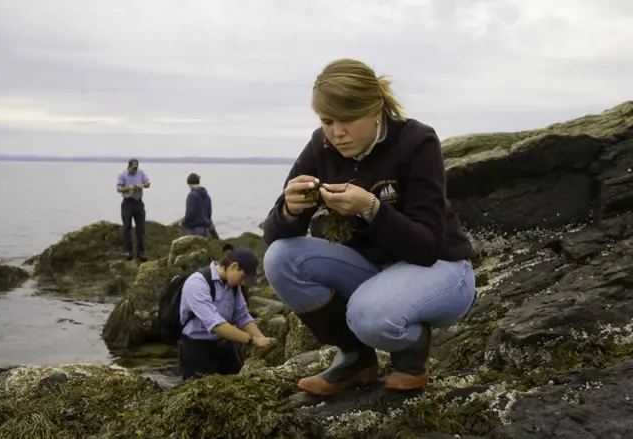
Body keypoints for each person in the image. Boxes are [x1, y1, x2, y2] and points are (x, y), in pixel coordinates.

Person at [261, 58, 477, 397]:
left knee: (368, 314)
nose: (336, 132)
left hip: (442, 269)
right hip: (373, 270)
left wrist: (371, 209)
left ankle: (413, 352)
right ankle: (356, 359)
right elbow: (275, 237)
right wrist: (289, 210)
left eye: (347, 120)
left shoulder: (417, 141)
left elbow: (427, 247)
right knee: (280, 258)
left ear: (375, 110)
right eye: (327, 121)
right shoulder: (323, 145)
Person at [178, 244, 276, 380]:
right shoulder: (197, 283)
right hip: (197, 348)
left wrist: (263, 339)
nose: (242, 283)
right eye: (242, 277)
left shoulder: (233, 286)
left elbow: (242, 317)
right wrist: (253, 340)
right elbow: (217, 325)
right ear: (233, 266)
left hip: (225, 346)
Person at [116, 158, 151, 261]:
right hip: (127, 203)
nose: (134, 170)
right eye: (133, 168)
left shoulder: (141, 173)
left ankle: (141, 252)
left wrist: (143, 185)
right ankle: (128, 251)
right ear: (129, 166)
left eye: (136, 168)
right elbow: (118, 189)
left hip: (138, 202)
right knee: (127, 228)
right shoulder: (122, 175)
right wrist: (130, 187)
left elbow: (148, 183)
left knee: (141, 228)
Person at [180, 173, 214, 237]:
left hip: (194, 230)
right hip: (206, 231)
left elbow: (190, 214)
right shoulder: (207, 196)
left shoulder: (192, 195)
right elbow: (209, 213)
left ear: (189, 184)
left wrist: (183, 222)